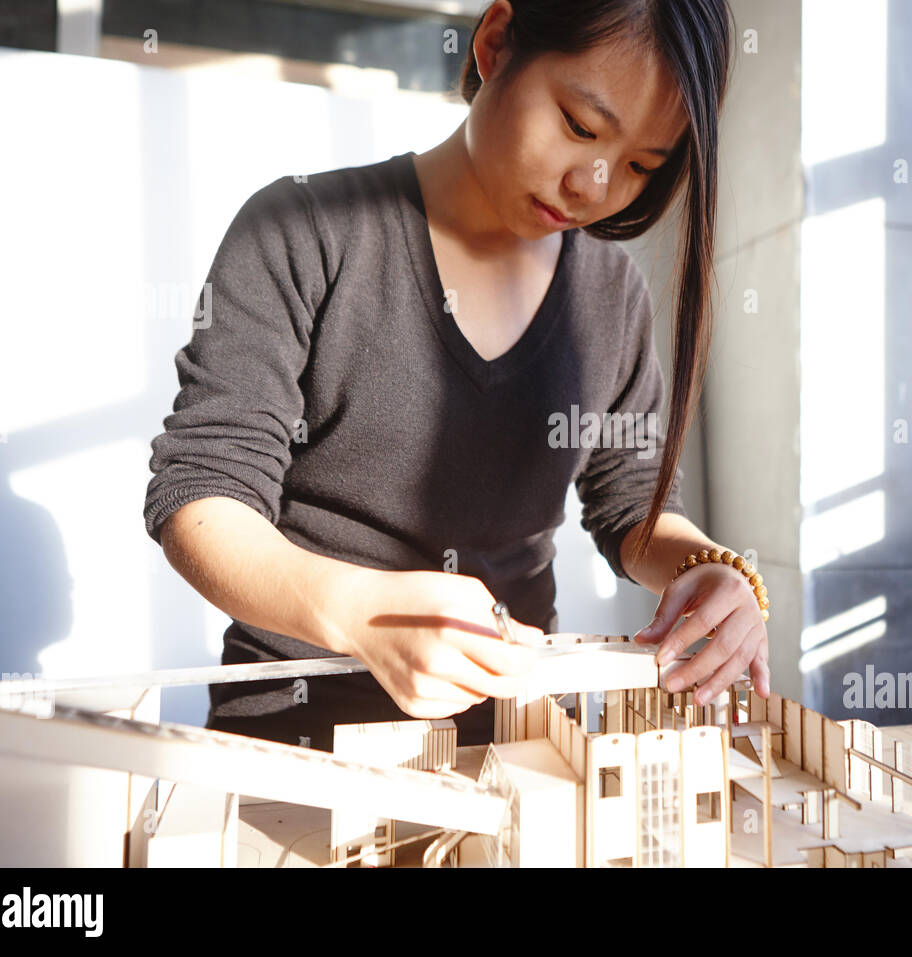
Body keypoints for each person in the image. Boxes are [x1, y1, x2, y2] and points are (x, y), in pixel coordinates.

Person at [142, 0, 769, 752]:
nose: (594, 187)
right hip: (297, 741)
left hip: (523, 742)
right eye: (580, 126)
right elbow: (201, 497)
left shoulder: (611, 294)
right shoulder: (301, 229)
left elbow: (630, 502)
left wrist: (711, 569)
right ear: (496, 43)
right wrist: (362, 614)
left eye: (640, 166)